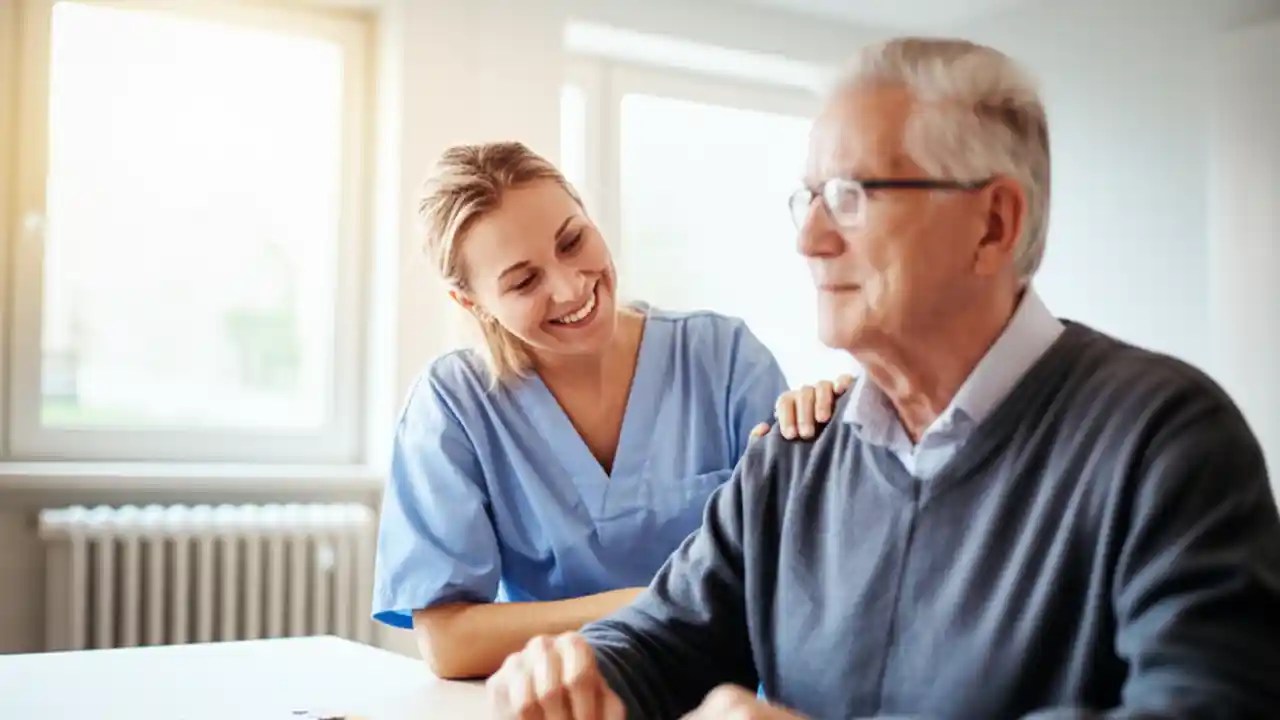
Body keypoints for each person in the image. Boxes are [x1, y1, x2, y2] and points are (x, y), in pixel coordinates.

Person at [485, 37, 1280, 719]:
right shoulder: (796, 454)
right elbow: (663, 635)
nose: (810, 239)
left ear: (993, 223)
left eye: (853, 196)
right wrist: (577, 671)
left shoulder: (1165, 439)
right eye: (807, 198)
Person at [370, 141, 852, 680]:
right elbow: (449, 641)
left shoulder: (723, 358)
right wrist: (657, 604)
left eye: (573, 241)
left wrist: (834, 437)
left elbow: (797, 574)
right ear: (471, 302)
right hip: (556, 704)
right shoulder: (453, 405)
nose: (570, 285)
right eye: (524, 281)